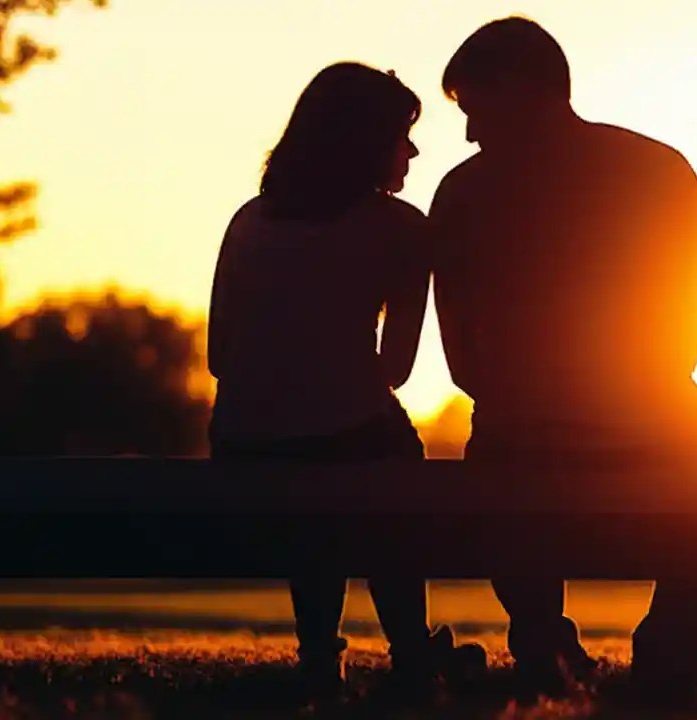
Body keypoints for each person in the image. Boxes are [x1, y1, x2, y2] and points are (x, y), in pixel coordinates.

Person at [430, 17, 697, 704]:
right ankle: (669, 643)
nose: (469, 133)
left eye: (473, 108)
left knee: (493, 480)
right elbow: (684, 327)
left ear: (520, 88)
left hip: (520, 443)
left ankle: (543, 639)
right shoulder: (659, 168)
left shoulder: (461, 194)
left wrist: (529, 397)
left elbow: (460, 356)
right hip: (655, 432)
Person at [206, 62, 480, 699]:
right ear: (365, 143)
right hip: (351, 447)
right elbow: (396, 370)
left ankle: (318, 654)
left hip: (247, 450)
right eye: (401, 135)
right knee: (382, 460)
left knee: (323, 479)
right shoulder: (404, 229)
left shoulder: (249, 220)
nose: (412, 149)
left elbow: (220, 356)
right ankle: (411, 648)